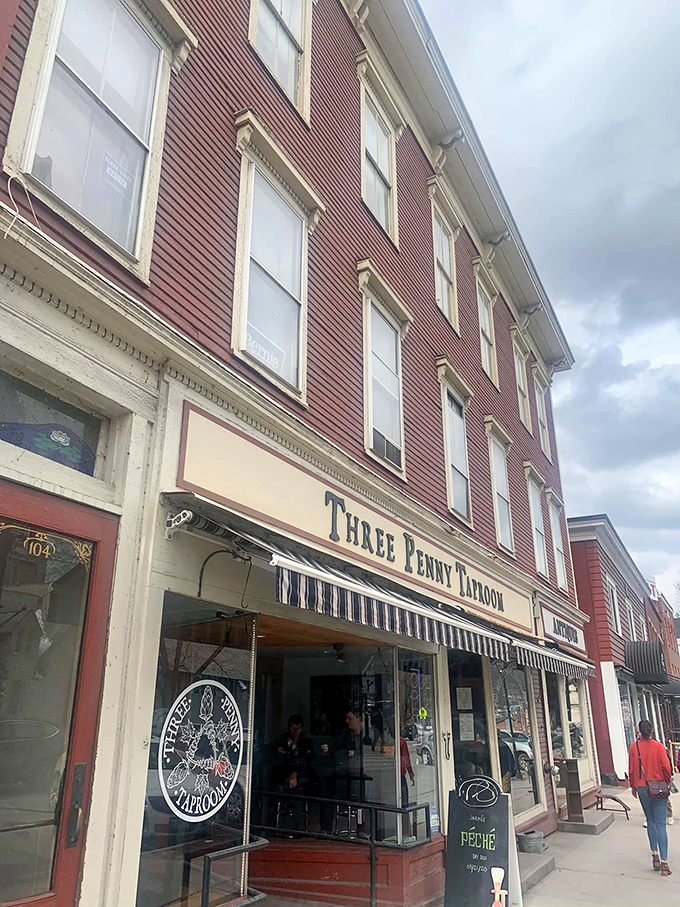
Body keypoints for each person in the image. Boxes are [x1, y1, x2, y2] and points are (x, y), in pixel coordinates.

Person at [629, 719, 673, 877]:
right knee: (661, 824)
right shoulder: (659, 746)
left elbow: (632, 769)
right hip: (659, 786)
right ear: (652, 731)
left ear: (639, 731)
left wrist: (633, 786)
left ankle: (654, 855)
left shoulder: (634, 747)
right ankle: (665, 863)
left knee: (651, 821)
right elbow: (667, 767)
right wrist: (667, 781)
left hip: (642, 786)